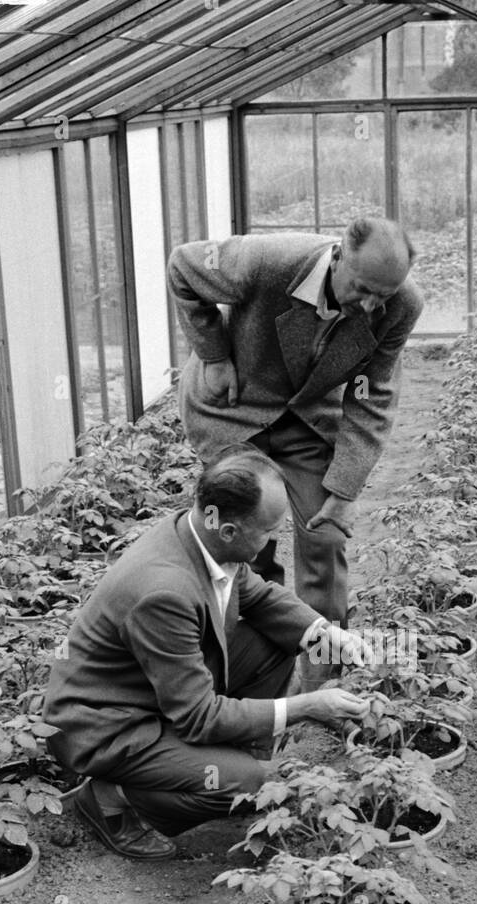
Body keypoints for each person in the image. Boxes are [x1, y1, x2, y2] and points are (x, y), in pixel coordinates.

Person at [44, 447, 371, 861]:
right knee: (253, 786)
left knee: (278, 640)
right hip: (111, 729)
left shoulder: (199, 534)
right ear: (230, 530)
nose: (275, 539)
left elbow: (256, 595)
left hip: (157, 693)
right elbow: (198, 716)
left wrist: (323, 633)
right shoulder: (163, 591)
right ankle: (111, 798)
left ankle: (223, 762)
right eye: (269, 530)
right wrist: (306, 706)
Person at [167, 217, 424, 686]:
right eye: (363, 288)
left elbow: (372, 396)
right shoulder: (266, 262)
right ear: (340, 253)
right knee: (246, 545)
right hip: (234, 411)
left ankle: (324, 679)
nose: (370, 305)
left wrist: (344, 489)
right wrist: (214, 354)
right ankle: (247, 666)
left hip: (307, 419)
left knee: (325, 538)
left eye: (382, 297)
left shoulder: (401, 306)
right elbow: (184, 266)